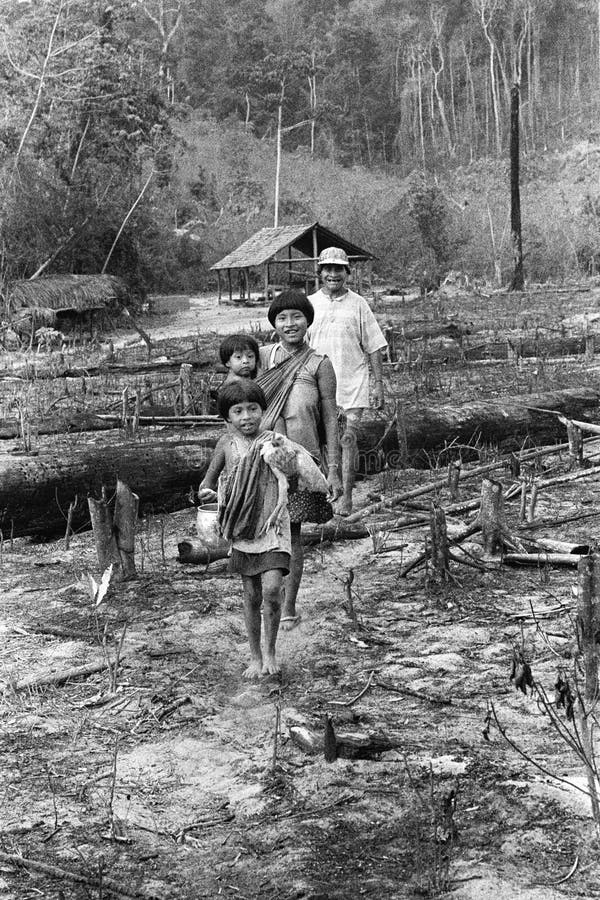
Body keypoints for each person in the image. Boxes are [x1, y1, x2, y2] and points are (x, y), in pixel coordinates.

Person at [257, 289, 342, 631]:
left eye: (297, 317)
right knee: (262, 531)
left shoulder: (319, 364)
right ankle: (265, 598)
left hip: (300, 462)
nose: (290, 324)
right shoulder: (262, 358)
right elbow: (236, 397)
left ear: (308, 321)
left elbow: (331, 419)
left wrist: (333, 470)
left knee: (292, 534)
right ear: (273, 324)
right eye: (282, 318)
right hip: (262, 461)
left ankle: (288, 606)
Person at [197, 380, 290, 679]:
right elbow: (207, 482)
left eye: (253, 409)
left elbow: (294, 471)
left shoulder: (274, 440)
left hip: (273, 523)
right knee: (251, 594)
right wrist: (207, 493)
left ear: (263, 410)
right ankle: (255, 656)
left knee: (272, 589)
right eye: (238, 411)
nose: (246, 416)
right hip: (242, 527)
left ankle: (271, 651)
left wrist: (283, 459)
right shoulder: (226, 445)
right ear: (227, 417)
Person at [308, 247, 388, 516]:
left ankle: (347, 498)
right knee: (321, 442)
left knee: (347, 440)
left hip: (351, 381)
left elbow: (374, 346)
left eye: (338, 269)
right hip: (317, 384)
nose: (333, 274)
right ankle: (326, 494)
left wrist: (378, 384)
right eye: (327, 269)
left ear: (347, 273)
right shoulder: (309, 304)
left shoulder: (358, 304)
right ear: (319, 273)